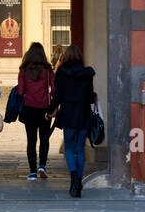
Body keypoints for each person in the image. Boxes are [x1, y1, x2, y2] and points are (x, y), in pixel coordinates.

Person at [49, 43, 95, 197]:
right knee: (80, 149)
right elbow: (90, 98)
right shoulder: (87, 73)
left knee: (69, 148)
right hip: (83, 114)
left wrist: (49, 111)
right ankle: (78, 182)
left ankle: (74, 181)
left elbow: (57, 96)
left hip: (68, 114)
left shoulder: (62, 73)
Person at [17, 43, 55, 180]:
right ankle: (42, 166)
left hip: (29, 108)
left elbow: (20, 91)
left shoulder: (24, 70)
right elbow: (54, 89)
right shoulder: (48, 70)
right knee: (44, 139)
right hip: (45, 109)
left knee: (31, 141)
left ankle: (32, 171)